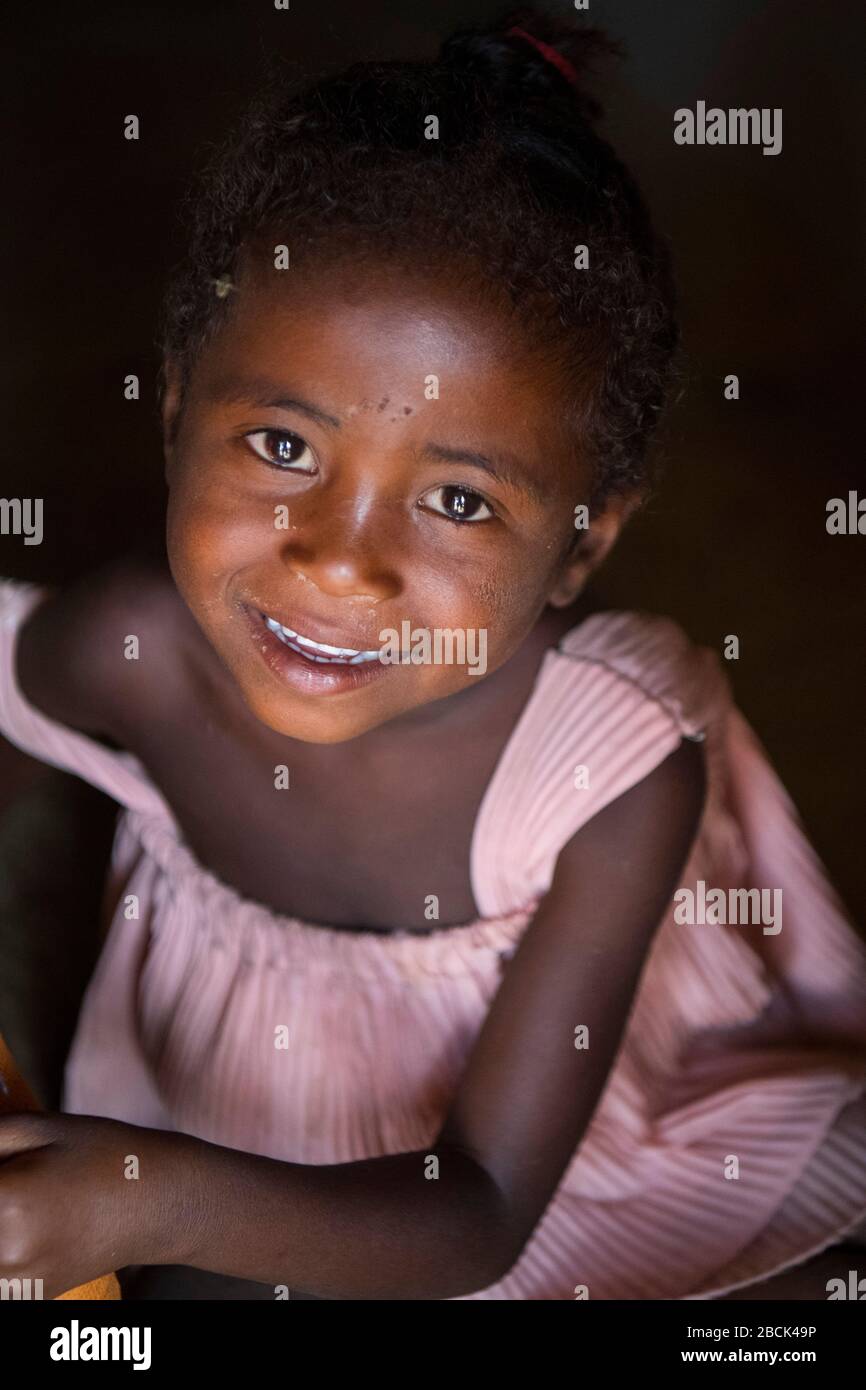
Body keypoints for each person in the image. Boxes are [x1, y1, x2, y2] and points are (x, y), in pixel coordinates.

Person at [0, 10, 864, 1300]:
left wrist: (143, 1197)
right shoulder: (130, 646)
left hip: (517, 1199)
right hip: (214, 1136)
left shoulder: (613, 772)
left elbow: (486, 1210)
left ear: (580, 546)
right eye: (284, 446)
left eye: (460, 500)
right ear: (178, 410)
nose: (342, 562)